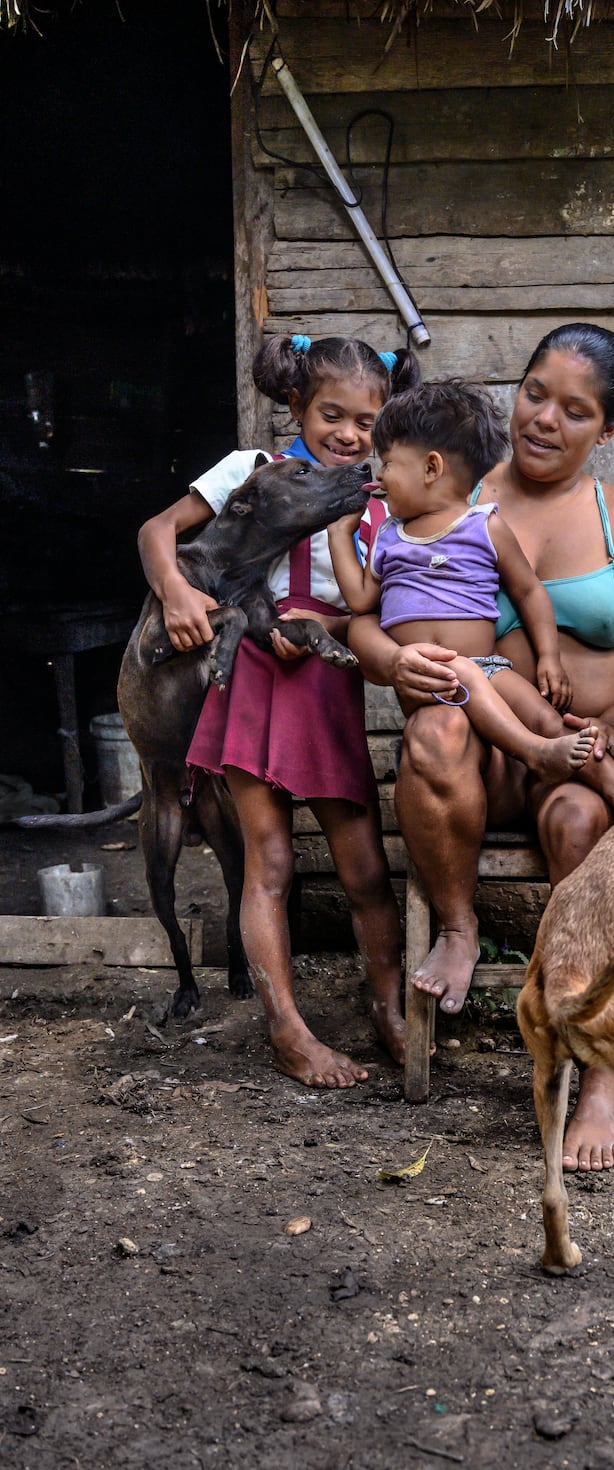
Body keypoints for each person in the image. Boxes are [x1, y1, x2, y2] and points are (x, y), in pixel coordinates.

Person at [348, 324, 614, 1170]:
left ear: (610, 428)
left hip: (579, 753)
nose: (545, 418)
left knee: (579, 821)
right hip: (481, 752)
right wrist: (390, 661)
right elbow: (364, 616)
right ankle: (458, 927)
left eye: (575, 410)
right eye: (534, 393)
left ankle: (601, 1079)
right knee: (435, 726)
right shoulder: (439, 482)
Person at [137, 333, 419, 1088]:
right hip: (252, 677)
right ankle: (287, 1030)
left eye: (366, 422)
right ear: (296, 405)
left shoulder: (374, 501)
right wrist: (177, 593)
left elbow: (377, 607)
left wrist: (326, 628)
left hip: (325, 681)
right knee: (270, 862)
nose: (348, 434)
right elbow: (156, 532)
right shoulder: (250, 469)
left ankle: (387, 1005)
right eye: (332, 415)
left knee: (365, 868)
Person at [329, 378, 614, 785]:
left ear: (431, 468)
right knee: (462, 674)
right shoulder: (389, 535)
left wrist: (548, 656)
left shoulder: (484, 526)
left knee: (548, 721)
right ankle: (533, 753)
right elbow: (361, 601)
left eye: (388, 463)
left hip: (490, 667)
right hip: (428, 678)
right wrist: (340, 535)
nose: (381, 475)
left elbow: (528, 590)